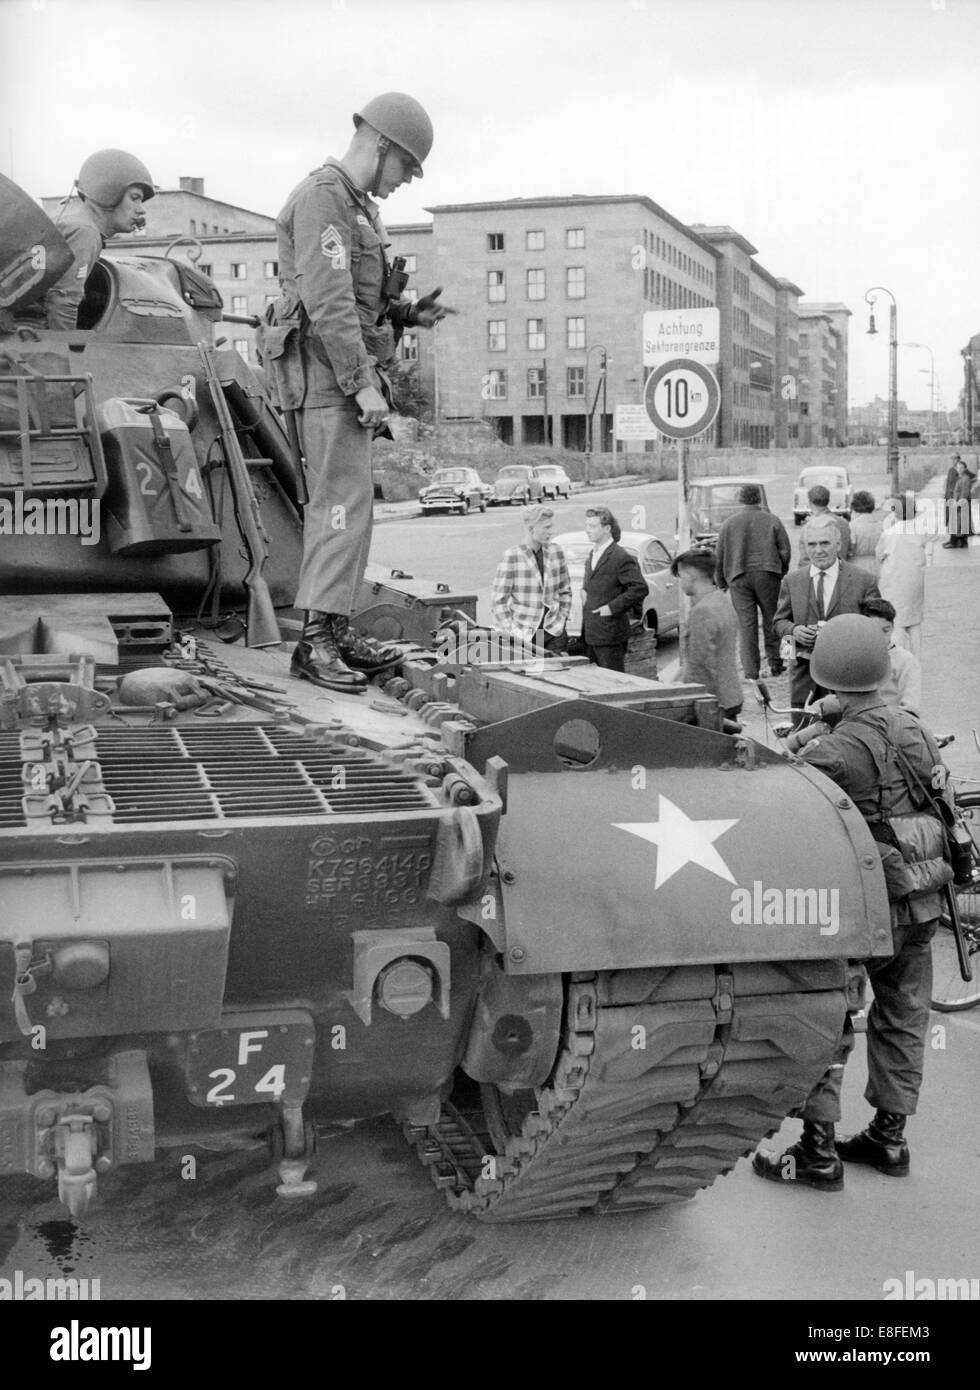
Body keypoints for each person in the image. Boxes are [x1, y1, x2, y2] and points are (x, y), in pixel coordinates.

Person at [753, 615, 953, 1191]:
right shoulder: (915, 728)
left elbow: (777, 787)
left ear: (826, 676)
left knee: (829, 1017)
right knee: (905, 1014)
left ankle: (817, 1152)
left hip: (860, 907)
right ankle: (889, 1139)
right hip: (922, 895)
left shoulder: (836, 749)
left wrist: (805, 732)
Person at [268, 93, 455, 691]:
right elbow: (326, 300)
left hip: (339, 379)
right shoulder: (324, 197)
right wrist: (362, 385)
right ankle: (314, 642)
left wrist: (405, 314)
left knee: (353, 508)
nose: (403, 182)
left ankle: (335, 626)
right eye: (405, 167)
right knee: (339, 507)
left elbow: (358, 297)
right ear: (381, 145)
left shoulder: (355, 207)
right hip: (327, 381)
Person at [773, 516, 879, 719]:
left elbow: (876, 627)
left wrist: (841, 634)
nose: (818, 550)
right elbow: (779, 622)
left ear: (838, 544)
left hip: (847, 682)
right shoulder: (792, 581)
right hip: (805, 682)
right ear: (804, 547)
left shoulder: (863, 580)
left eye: (824, 543)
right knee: (804, 742)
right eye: (812, 544)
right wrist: (794, 631)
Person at [44, 149, 154, 329]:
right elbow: (62, 301)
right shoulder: (86, 233)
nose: (141, 210)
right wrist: (68, 353)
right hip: (31, 334)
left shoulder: (75, 225)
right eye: (135, 198)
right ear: (108, 193)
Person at [713, 482, 790, 679]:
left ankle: (751, 670)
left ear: (740, 499)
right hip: (768, 574)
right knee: (772, 618)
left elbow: (719, 555)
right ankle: (775, 663)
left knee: (746, 624)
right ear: (759, 498)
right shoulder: (773, 520)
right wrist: (781, 571)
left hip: (738, 576)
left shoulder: (729, 523)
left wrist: (721, 581)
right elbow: (785, 550)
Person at [671, 548, 742, 720]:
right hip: (730, 695)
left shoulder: (701, 611)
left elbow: (700, 666)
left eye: (680, 576)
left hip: (712, 702)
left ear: (689, 575)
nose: (680, 583)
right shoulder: (722, 601)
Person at [491, 505, 571, 653]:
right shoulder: (512, 556)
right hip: (526, 634)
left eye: (551, 527)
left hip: (554, 631)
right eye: (546, 528)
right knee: (534, 674)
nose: (550, 532)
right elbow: (498, 601)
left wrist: (562, 619)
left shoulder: (556, 551)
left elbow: (565, 591)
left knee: (560, 672)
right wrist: (512, 631)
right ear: (531, 528)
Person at [580, 507, 648, 672]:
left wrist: (611, 608)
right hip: (591, 632)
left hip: (610, 634)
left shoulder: (620, 556)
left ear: (607, 528)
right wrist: (584, 591)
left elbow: (639, 588)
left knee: (612, 683)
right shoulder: (593, 554)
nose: (587, 530)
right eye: (586, 525)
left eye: (592, 526)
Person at [876, 497, 934, 658]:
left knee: (897, 621)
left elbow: (879, 555)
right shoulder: (921, 531)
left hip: (894, 581)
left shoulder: (889, 533)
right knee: (915, 620)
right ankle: (917, 657)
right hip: (915, 581)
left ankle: (897, 658)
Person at [797, 485, 854, 564]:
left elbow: (804, 559)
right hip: (843, 570)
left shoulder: (809, 527)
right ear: (828, 500)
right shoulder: (844, 523)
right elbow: (850, 551)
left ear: (810, 502)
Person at [847, 490, 883, 575]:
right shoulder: (881, 525)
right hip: (877, 565)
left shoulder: (853, 526)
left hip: (857, 565)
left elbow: (851, 548)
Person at [942, 457, 974, 549]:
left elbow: (965, 493)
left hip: (961, 504)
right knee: (960, 523)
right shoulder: (961, 478)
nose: (959, 469)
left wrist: (958, 503)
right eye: (958, 468)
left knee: (958, 523)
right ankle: (962, 542)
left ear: (965, 469)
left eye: (961, 468)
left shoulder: (966, 479)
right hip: (958, 503)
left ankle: (954, 542)